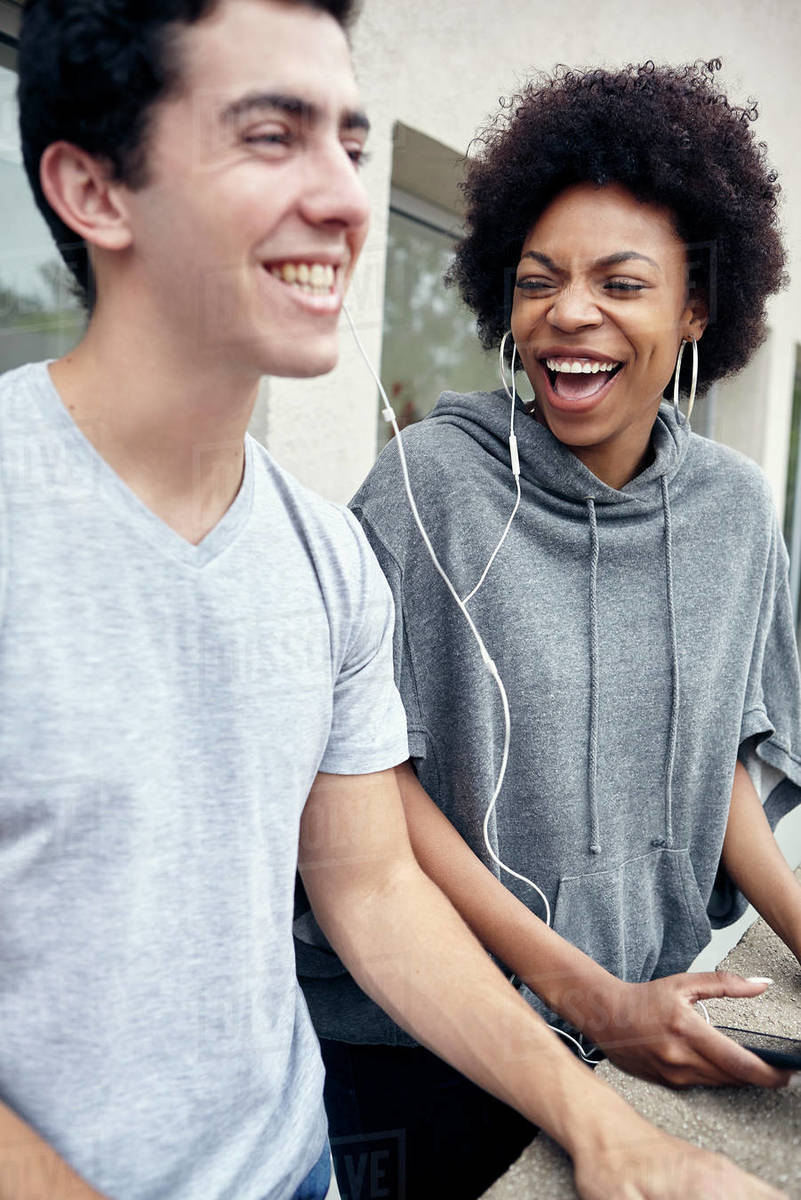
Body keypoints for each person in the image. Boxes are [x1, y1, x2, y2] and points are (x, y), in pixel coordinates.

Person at [4, 10, 784, 1200]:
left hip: (300, 1163)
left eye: (350, 143)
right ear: (94, 191)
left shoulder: (316, 558)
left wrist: (605, 1122)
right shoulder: (412, 493)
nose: (346, 197)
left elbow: (369, 887)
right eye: (273, 136)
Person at [298, 60, 801, 1199]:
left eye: (621, 282)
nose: (569, 313)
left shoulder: (733, 513)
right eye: (538, 282)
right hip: (412, 1042)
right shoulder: (431, 484)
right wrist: (582, 992)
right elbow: (375, 795)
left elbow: (717, 768)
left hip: (635, 1023)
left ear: (697, 309)